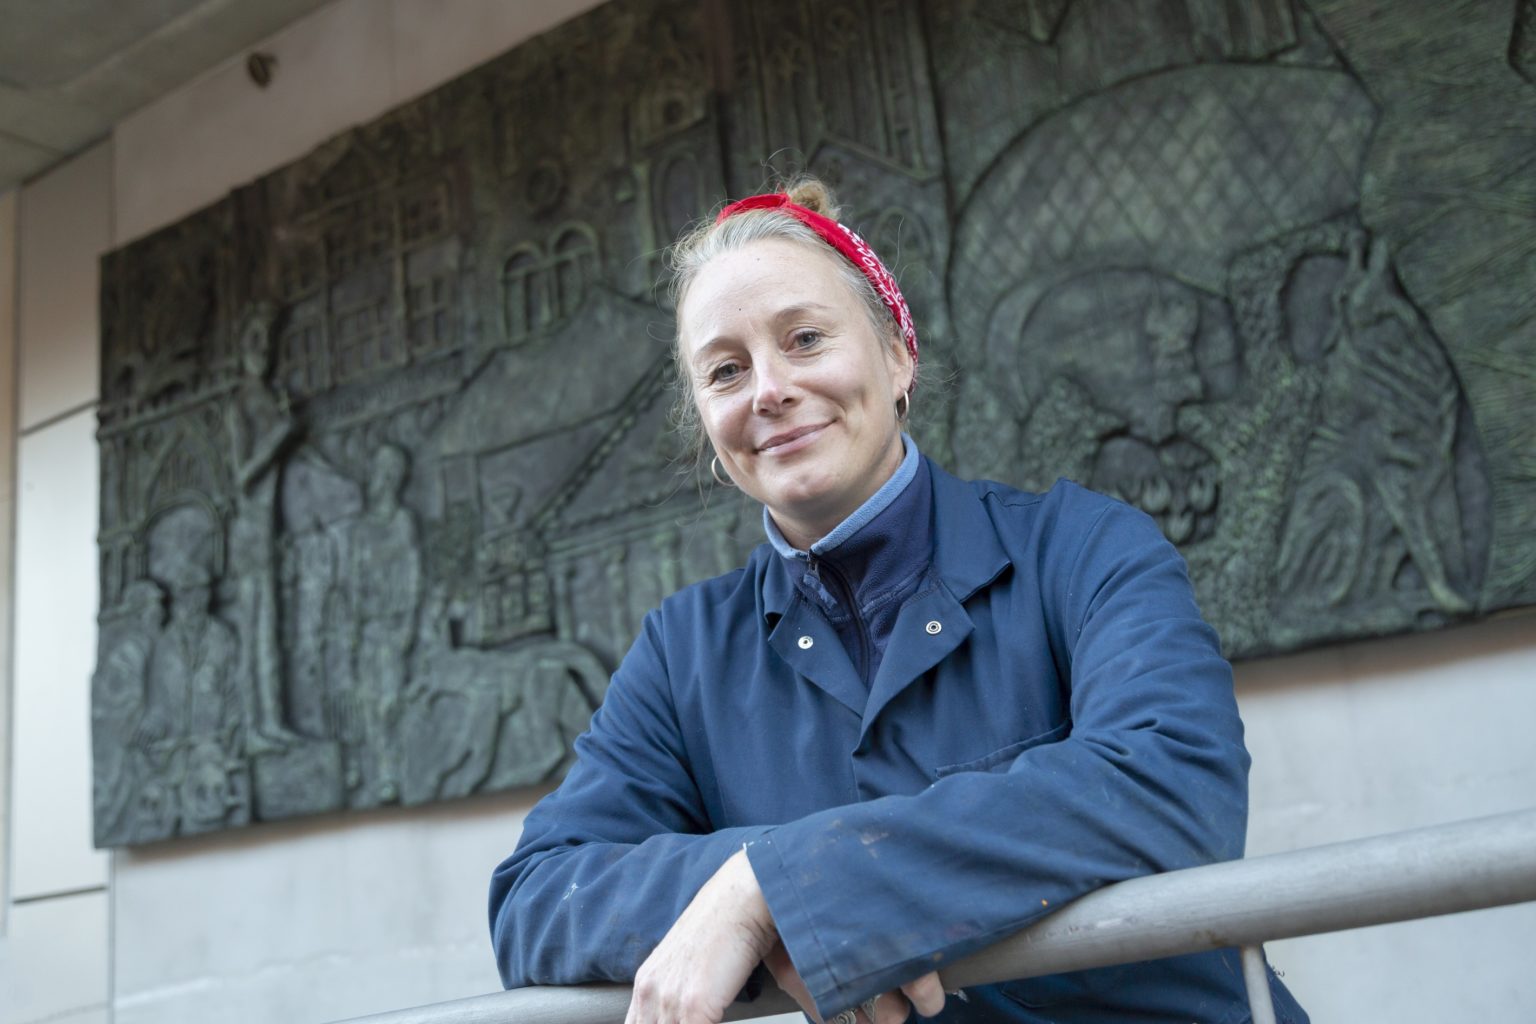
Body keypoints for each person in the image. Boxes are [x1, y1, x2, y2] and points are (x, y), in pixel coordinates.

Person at [488, 179, 1308, 1024]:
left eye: (805, 339)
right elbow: (538, 897)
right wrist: (758, 886)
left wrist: (785, 889)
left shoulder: (1083, 546)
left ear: (896, 354)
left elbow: (1174, 781)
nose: (768, 389)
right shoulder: (682, 652)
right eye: (726, 370)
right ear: (705, 423)